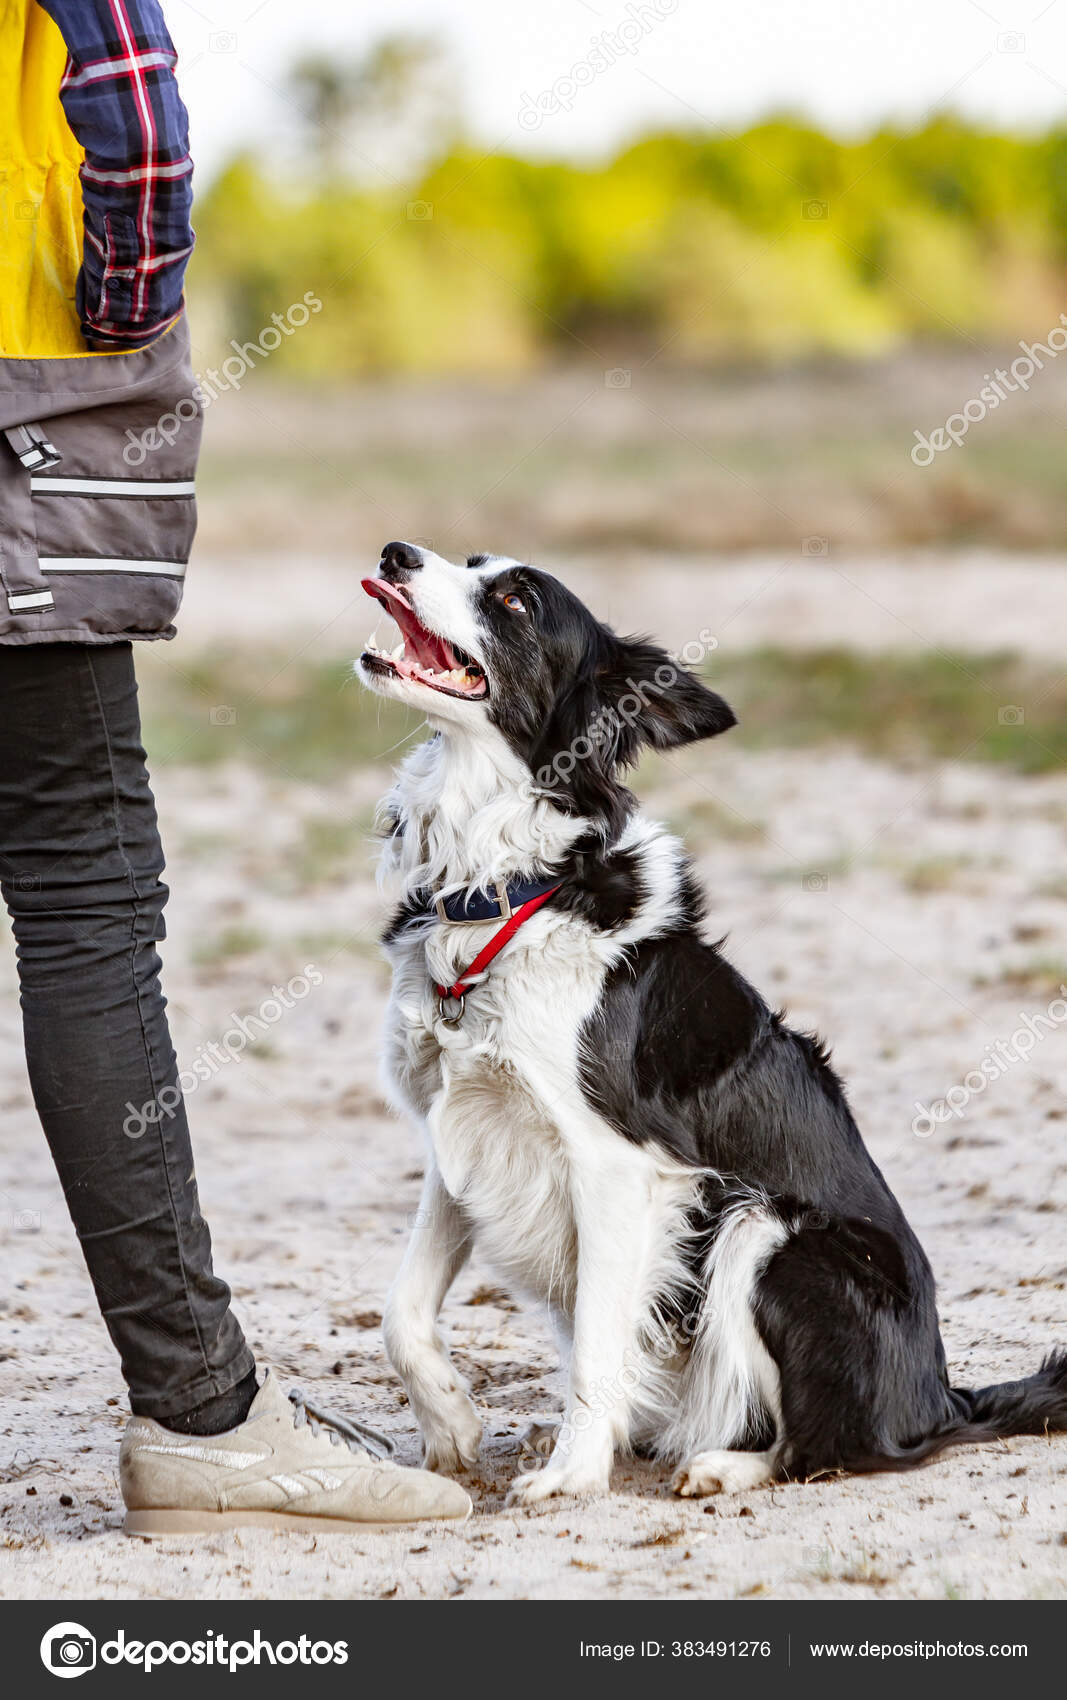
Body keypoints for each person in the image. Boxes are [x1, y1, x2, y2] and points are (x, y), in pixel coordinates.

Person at [0, 0, 468, 1534]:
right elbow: (127, 108)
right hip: (22, 397)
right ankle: (201, 1412)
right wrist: (127, 328)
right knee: (81, 888)